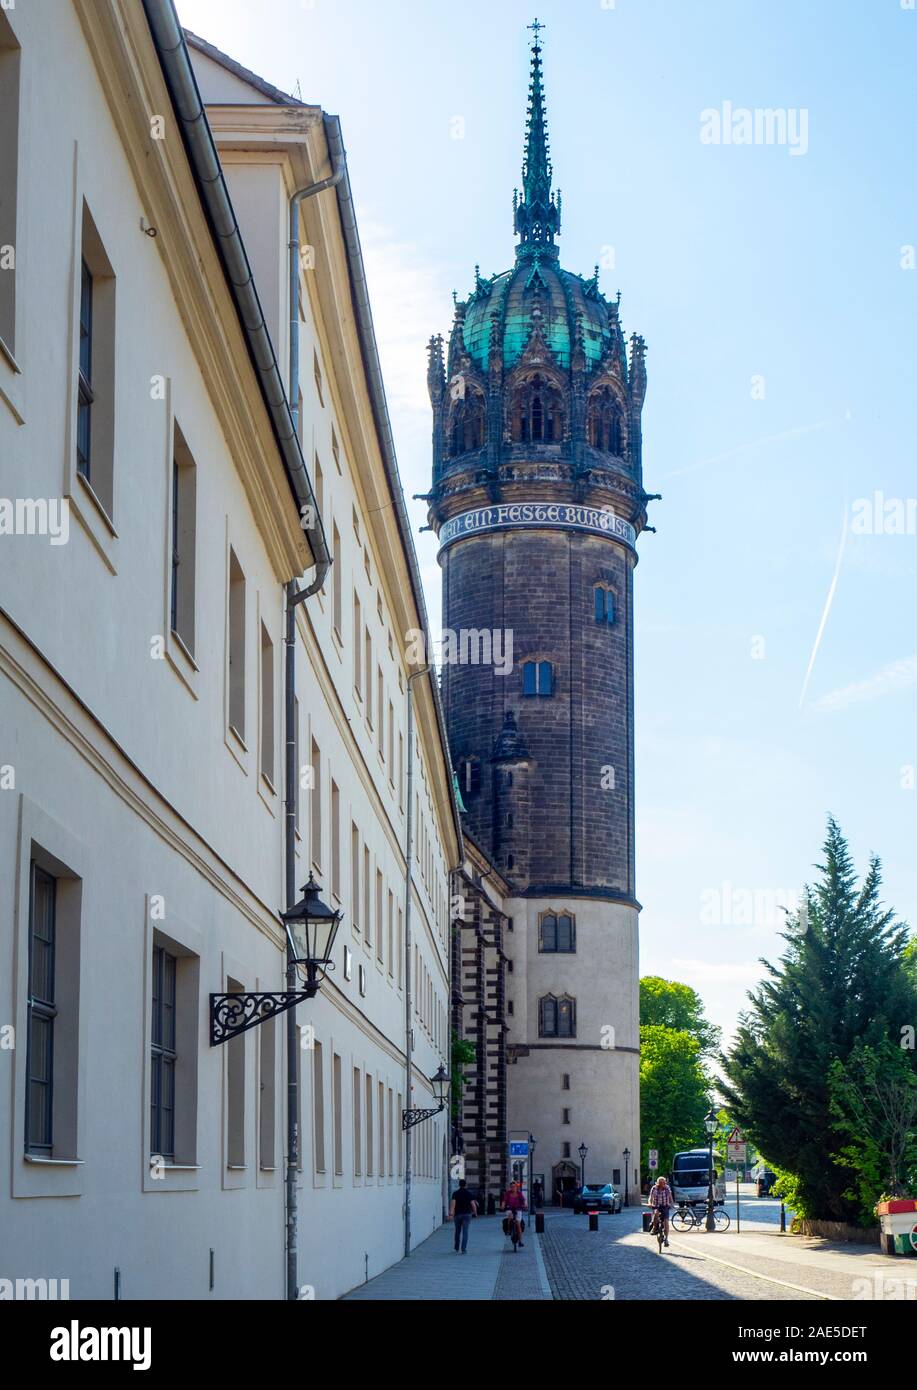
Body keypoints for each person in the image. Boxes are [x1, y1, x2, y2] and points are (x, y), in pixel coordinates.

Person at [449, 1178, 478, 1253]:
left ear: (459, 1185)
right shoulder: (469, 1193)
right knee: (465, 1232)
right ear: (466, 1185)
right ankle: (463, 1249)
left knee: (457, 1231)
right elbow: (473, 1204)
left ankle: (456, 1247)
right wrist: (475, 1213)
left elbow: (453, 1204)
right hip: (467, 1214)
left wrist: (451, 1213)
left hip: (457, 1214)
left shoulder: (455, 1193)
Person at [648, 1174, 674, 1246]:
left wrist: (672, 1204)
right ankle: (654, 1227)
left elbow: (670, 1197)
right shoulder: (654, 1188)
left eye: (664, 1183)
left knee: (666, 1222)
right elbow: (651, 1197)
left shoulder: (667, 1188)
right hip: (656, 1205)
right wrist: (650, 1203)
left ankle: (666, 1239)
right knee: (656, 1213)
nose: (663, 1184)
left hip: (665, 1206)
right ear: (658, 1183)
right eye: (661, 1183)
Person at [500, 1179, 528, 1247]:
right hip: (509, 1209)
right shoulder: (508, 1193)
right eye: (511, 1187)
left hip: (518, 1209)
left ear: (516, 1187)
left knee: (518, 1224)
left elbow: (523, 1200)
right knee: (510, 1217)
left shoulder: (519, 1193)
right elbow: (504, 1201)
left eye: (514, 1186)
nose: (513, 1188)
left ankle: (520, 1241)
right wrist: (503, 1206)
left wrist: (525, 1205)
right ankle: (509, 1230)